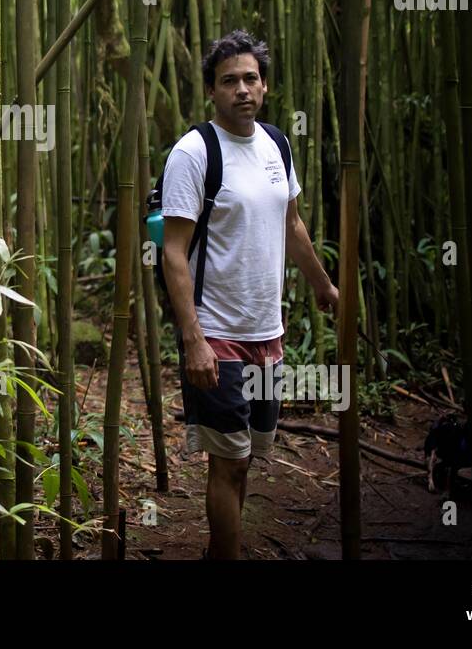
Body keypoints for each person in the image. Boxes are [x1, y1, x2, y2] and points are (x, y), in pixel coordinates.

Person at [160, 30, 338, 559]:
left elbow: (293, 223)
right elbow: (173, 251)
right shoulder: (194, 152)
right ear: (212, 91)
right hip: (217, 334)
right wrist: (194, 340)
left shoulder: (277, 145)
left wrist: (322, 284)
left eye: (251, 78)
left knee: (248, 457)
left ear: (264, 86)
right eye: (229, 80)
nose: (242, 89)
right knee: (228, 461)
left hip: (268, 333)